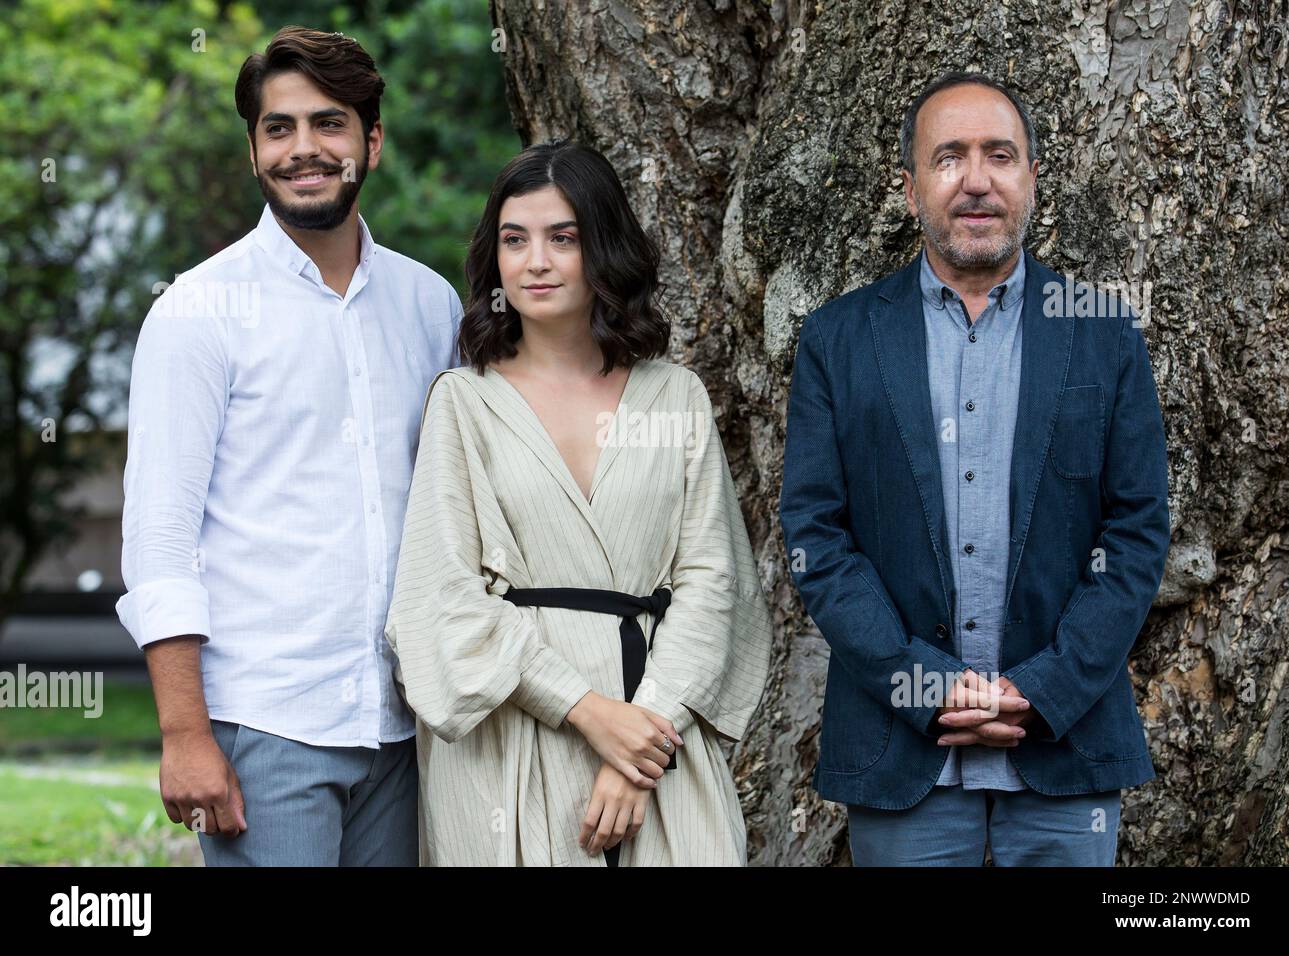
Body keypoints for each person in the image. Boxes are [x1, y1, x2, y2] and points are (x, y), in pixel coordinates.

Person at [780, 72, 1171, 866]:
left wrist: (1044, 690)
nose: (977, 180)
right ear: (910, 187)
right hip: (902, 755)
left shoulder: (1103, 332)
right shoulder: (838, 340)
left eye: (1000, 156)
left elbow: (1136, 533)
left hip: (1066, 753)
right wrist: (923, 684)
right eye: (949, 158)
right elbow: (816, 538)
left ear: (1031, 180)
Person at [116, 26, 462, 866]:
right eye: (279, 128)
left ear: (370, 142)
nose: (304, 148)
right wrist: (185, 734)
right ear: (253, 150)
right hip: (265, 724)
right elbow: (160, 542)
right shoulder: (195, 312)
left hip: (407, 728)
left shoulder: (431, 305)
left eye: (329, 124)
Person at [384, 140, 771, 866]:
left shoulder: (674, 394)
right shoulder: (463, 403)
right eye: (514, 239)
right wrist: (589, 714)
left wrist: (641, 742)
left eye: (563, 238)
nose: (535, 262)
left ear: (603, 248)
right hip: (513, 739)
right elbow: (439, 599)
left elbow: (714, 582)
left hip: (659, 739)